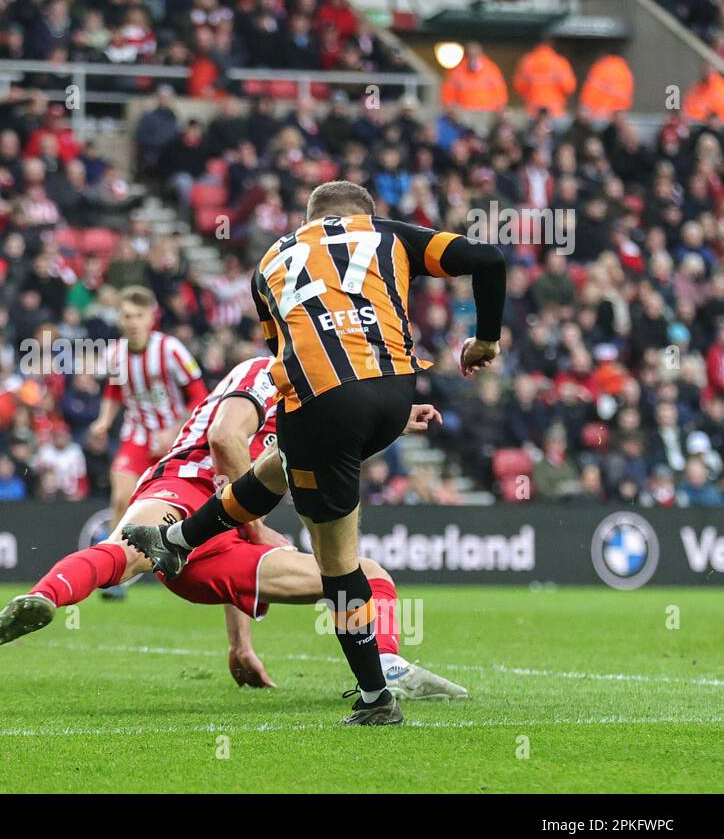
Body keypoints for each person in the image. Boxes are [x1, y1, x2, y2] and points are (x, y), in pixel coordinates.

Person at [124, 180, 505, 725]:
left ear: (309, 217)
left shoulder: (270, 262)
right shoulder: (387, 235)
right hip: (395, 392)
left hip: (321, 400)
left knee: (337, 563)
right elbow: (489, 258)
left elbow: (289, 349)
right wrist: (484, 339)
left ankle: (376, 699)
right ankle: (179, 540)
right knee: (279, 464)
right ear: (363, 214)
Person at [0, 355, 468, 702]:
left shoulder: (314, 399)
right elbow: (222, 437)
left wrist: (241, 645)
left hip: (222, 541)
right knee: (133, 548)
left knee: (368, 577)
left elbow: (335, 434)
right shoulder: (264, 371)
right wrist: (258, 529)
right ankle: (45, 599)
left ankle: (383, 668)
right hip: (186, 485)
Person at [86, 286, 206, 598]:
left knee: (189, 505)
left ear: (151, 317)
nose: (133, 322)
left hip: (177, 439)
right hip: (136, 437)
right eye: (127, 316)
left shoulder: (171, 350)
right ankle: (117, 577)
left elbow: (199, 396)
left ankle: (196, 565)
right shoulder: (114, 354)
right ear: (119, 318)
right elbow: (114, 392)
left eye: (139, 316)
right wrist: (104, 421)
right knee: (120, 498)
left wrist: (174, 430)